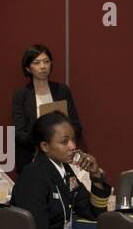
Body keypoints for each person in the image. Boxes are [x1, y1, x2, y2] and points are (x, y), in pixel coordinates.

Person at [12, 44, 82, 173]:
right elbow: (18, 133)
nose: (43, 67)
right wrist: (43, 141)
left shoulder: (62, 91)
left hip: (63, 156)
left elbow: (76, 125)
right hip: (32, 157)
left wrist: (62, 139)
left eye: (46, 61)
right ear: (28, 68)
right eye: (36, 63)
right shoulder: (21, 95)